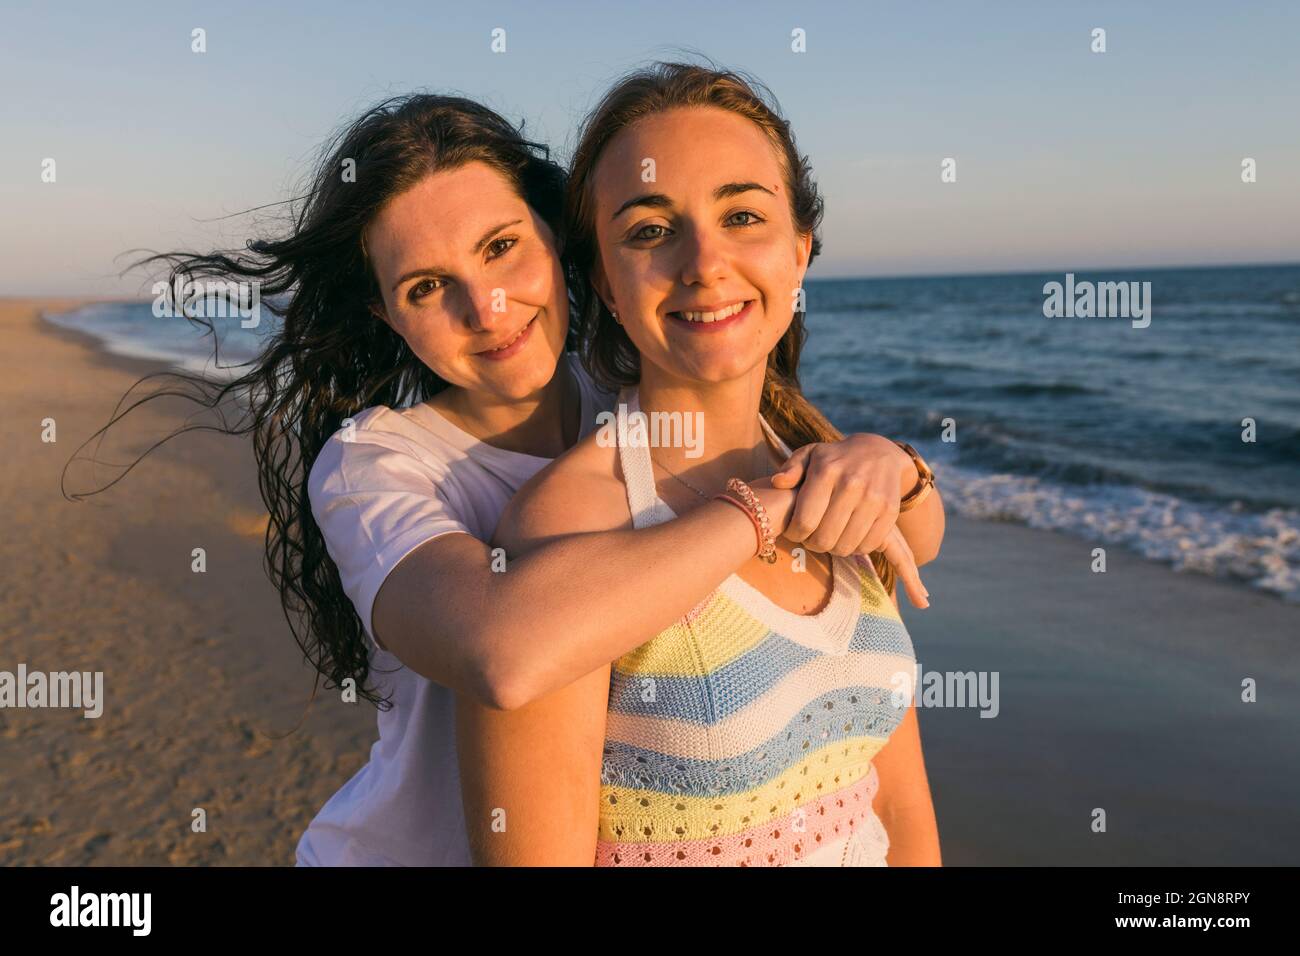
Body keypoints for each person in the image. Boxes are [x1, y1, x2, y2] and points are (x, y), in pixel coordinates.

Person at [455, 63, 944, 867]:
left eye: (743, 215)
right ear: (607, 285)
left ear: (799, 252)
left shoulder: (836, 478)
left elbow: (898, 802)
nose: (704, 262)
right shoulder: (573, 520)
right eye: (650, 231)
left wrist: (898, 466)